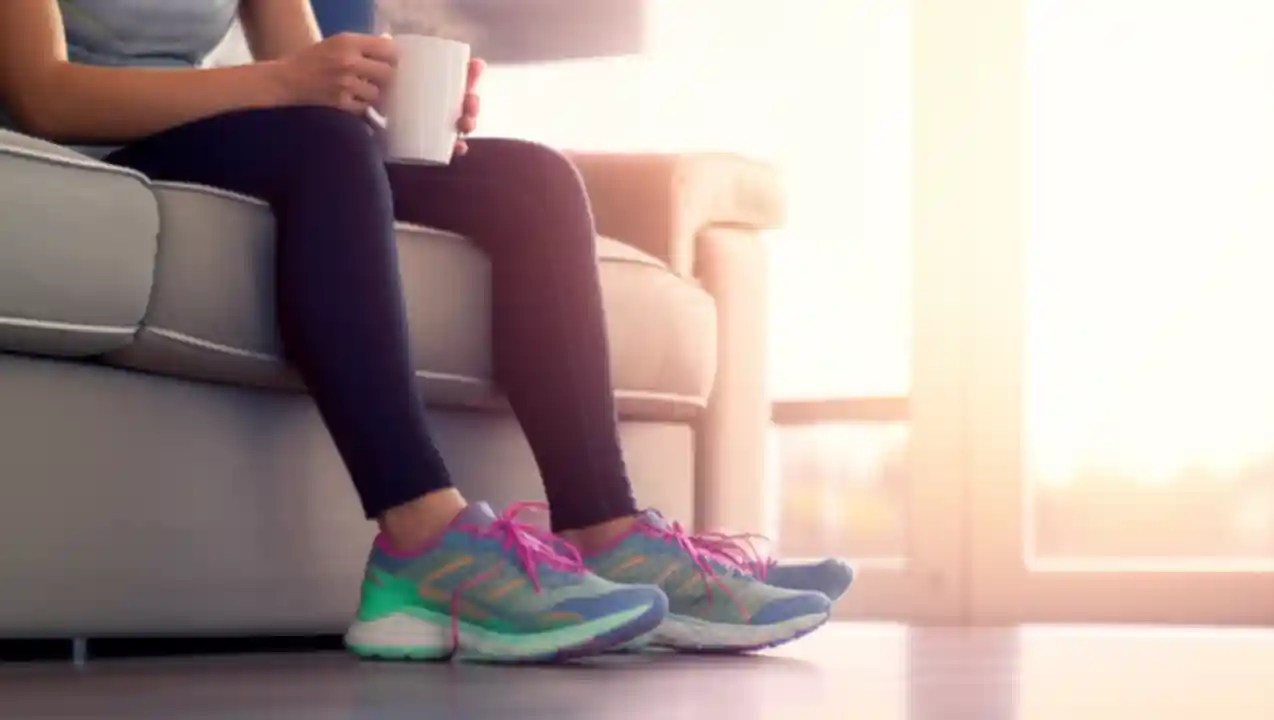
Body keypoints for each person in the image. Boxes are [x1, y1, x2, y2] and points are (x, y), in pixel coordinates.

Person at [0, 0, 854, 662]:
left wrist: (400, 108)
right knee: (323, 149)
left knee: (533, 182)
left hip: (234, 126)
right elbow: (43, 91)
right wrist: (293, 89)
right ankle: (422, 546)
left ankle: (609, 535)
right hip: (93, 143)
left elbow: (302, 68)